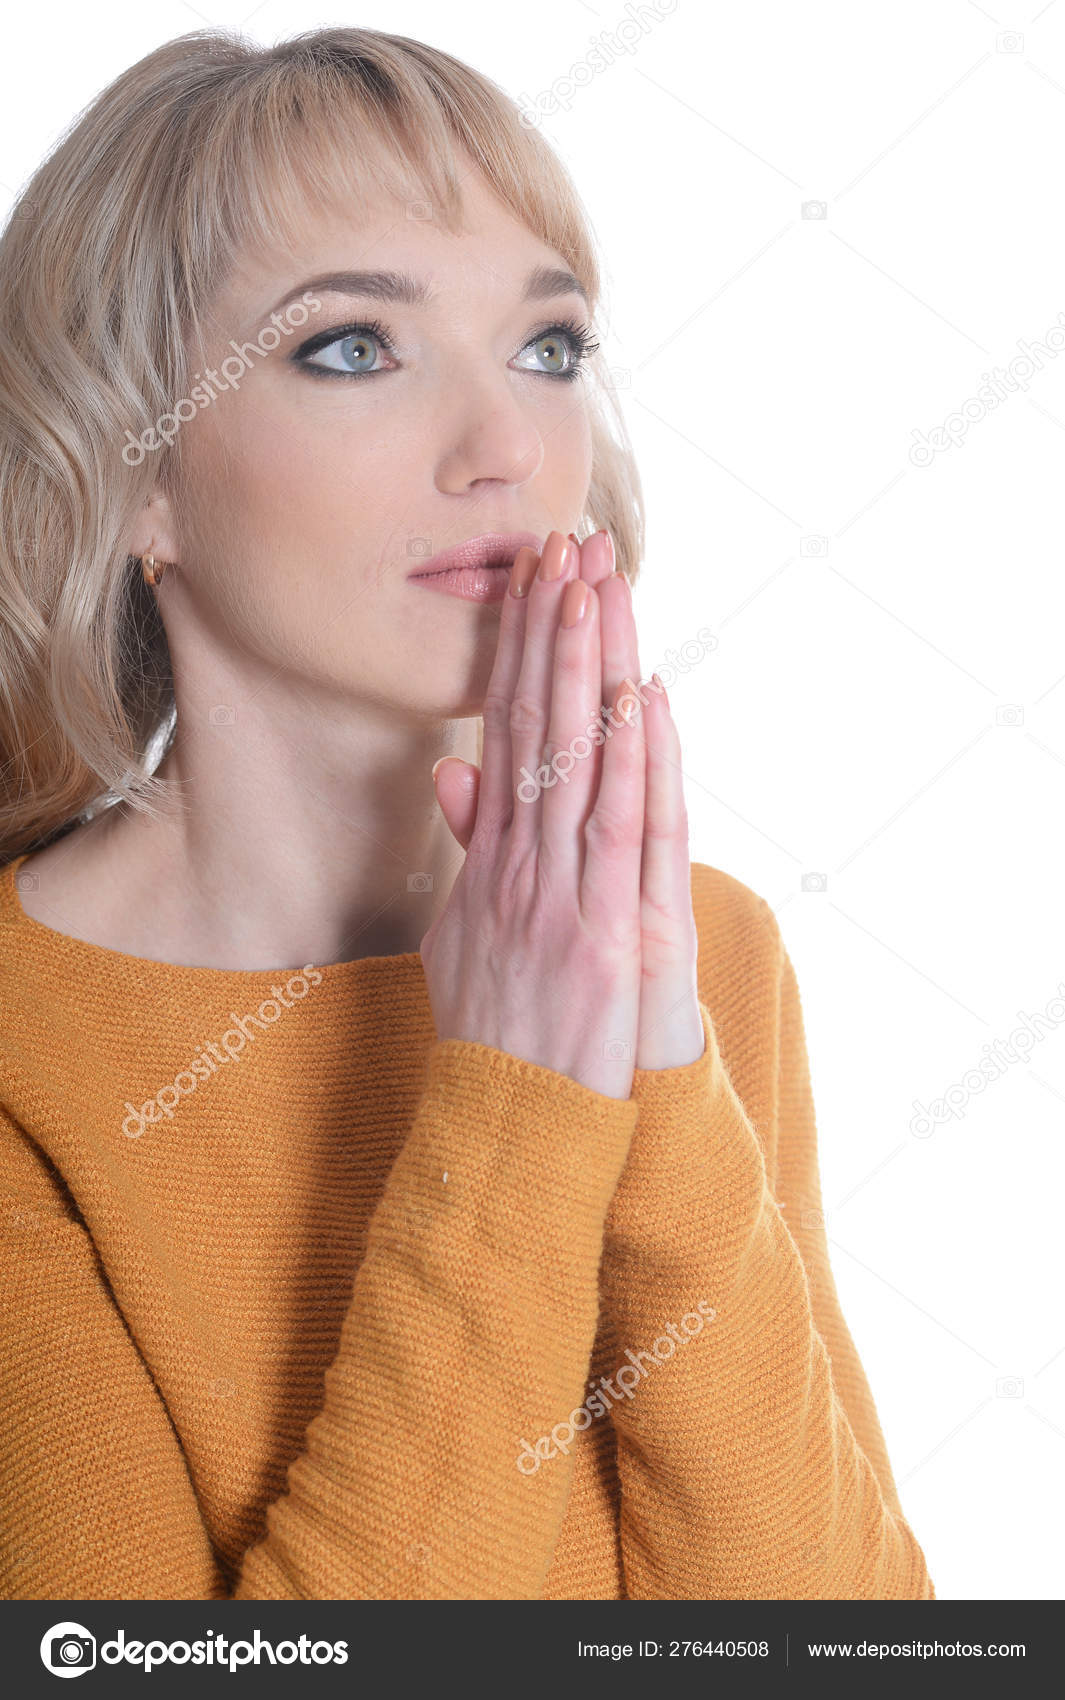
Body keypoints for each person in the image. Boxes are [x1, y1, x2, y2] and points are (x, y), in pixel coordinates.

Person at [0, 25, 935, 1601]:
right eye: (354, 347)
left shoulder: (705, 954)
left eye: (549, 347)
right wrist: (514, 1090)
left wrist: (651, 1067)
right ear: (133, 470)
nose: (509, 448)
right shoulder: (32, 1055)